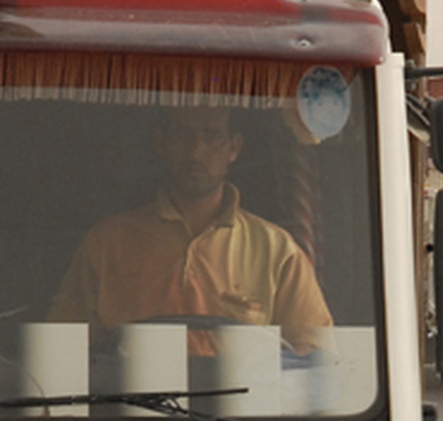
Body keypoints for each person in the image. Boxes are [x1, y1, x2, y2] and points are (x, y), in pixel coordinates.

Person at [49, 105, 333, 353]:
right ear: (161, 143)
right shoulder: (106, 242)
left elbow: (313, 362)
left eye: (212, 136)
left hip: (241, 413)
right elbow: (61, 351)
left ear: (234, 148)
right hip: (130, 411)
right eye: (183, 135)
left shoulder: (277, 251)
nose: (196, 152)